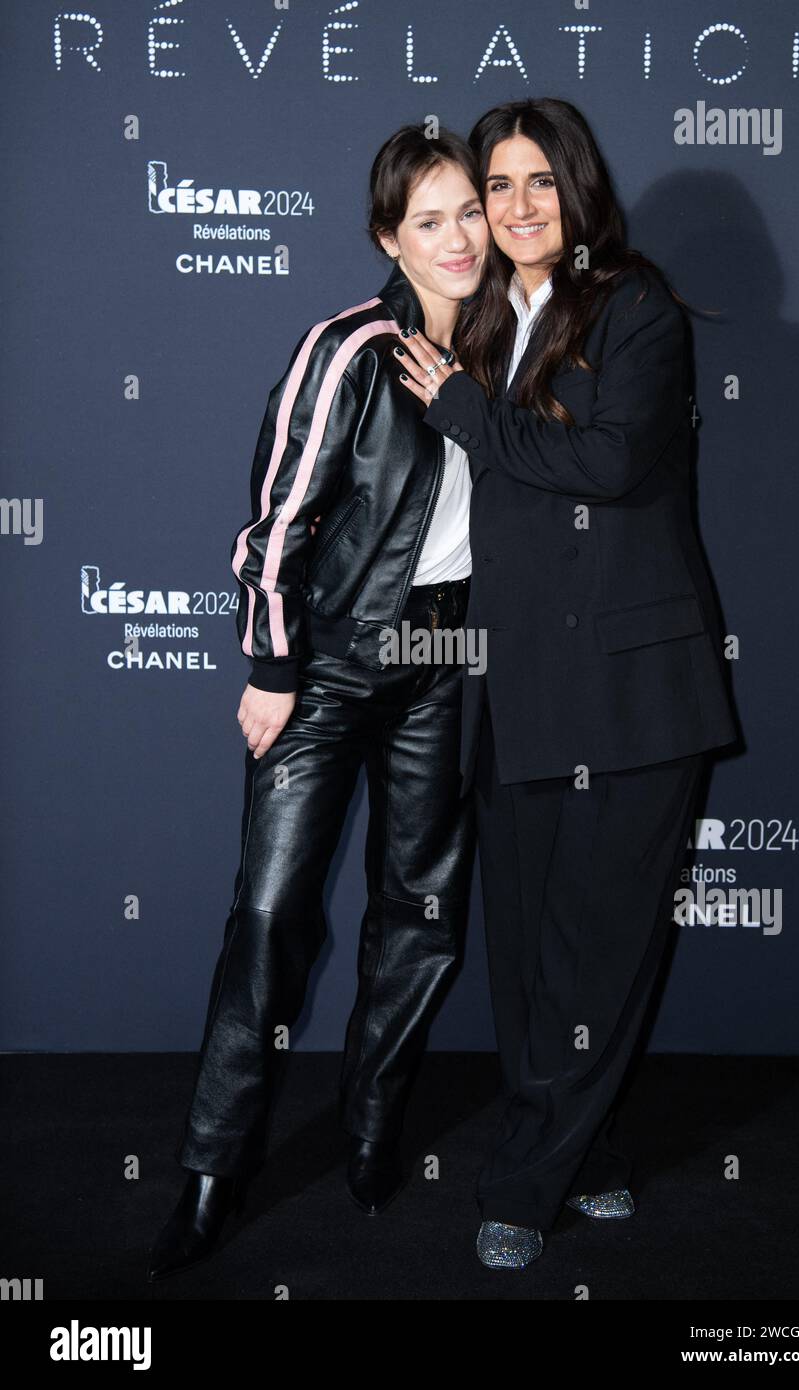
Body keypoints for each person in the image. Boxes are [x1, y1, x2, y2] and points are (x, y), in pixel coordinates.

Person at [396, 98, 740, 1269]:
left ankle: (524, 1180)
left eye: (539, 181)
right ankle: (583, 1151)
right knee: (525, 950)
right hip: (519, 686)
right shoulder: (488, 317)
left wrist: (468, 416)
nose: (517, 206)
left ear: (577, 189)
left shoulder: (632, 305)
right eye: (498, 187)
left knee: (596, 949)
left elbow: (605, 460)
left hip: (632, 696)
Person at [147, 124, 488, 1280]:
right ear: (388, 237)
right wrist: (272, 661)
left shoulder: (516, 348)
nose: (455, 238)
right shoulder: (349, 347)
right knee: (268, 920)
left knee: (420, 909)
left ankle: (371, 1129)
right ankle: (209, 1173)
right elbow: (279, 517)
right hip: (333, 660)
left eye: (467, 212)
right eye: (427, 220)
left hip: (449, 652)